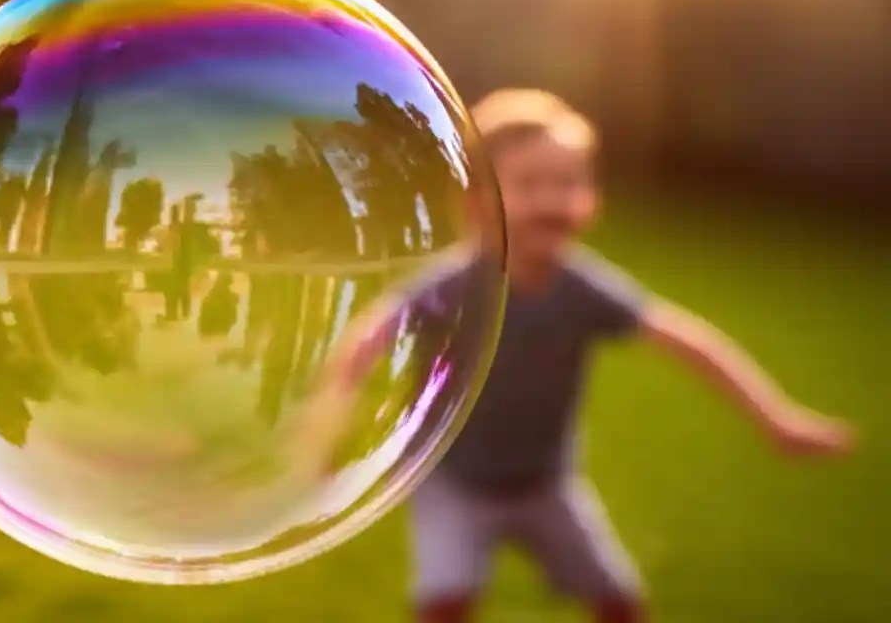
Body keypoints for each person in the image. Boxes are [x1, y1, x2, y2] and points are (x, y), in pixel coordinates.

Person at [332, 89, 855, 623]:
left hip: (545, 484)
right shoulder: (454, 286)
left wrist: (775, 416)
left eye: (569, 183)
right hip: (456, 484)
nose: (553, 200)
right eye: (530, 184)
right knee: (445, 601)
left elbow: (687, 340)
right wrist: (333, 419)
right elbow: (370, 335)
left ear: (592, 199)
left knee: (618, 602)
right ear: (477, 202)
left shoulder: (583, 288)